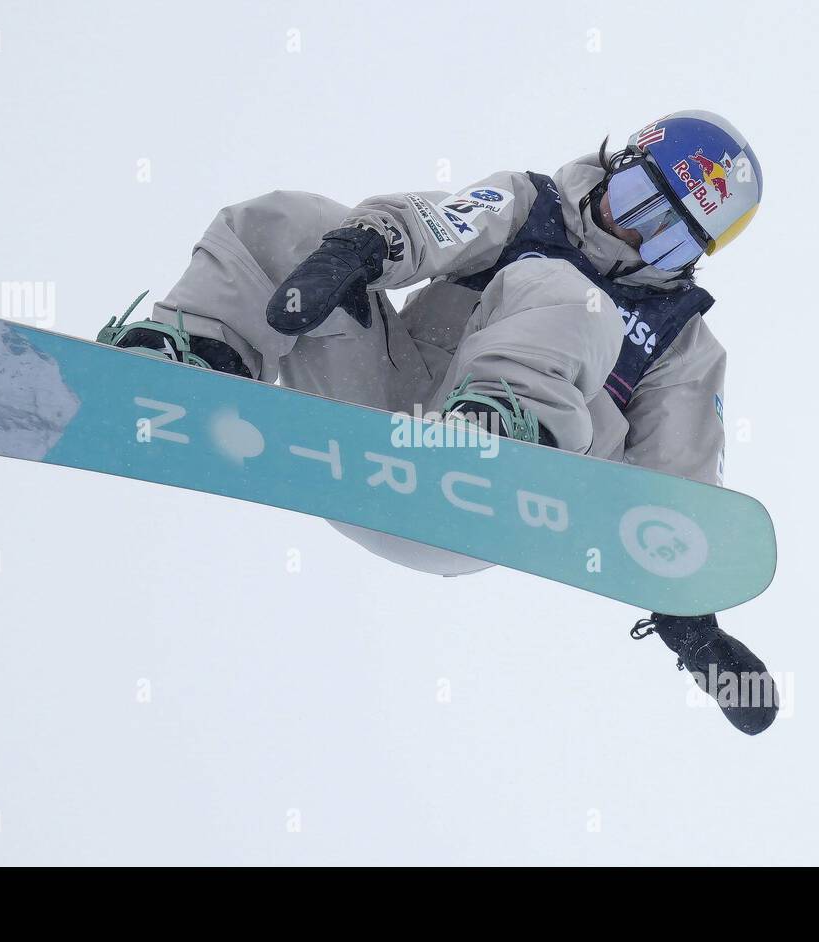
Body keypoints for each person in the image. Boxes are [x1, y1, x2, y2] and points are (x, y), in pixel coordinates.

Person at [101, 109, 778, 734]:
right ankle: (191, 361)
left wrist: (692, 619)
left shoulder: (682, 342)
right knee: (291, 217)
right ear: (616, 165)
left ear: (691, 256)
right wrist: (368, 245)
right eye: (637, 201)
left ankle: (497, 434)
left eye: (666, 237)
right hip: (382, 419)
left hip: (490, 499)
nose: (634, 233)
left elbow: (678, 495)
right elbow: (441, 224)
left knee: (574, 297)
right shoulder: (527, 207)